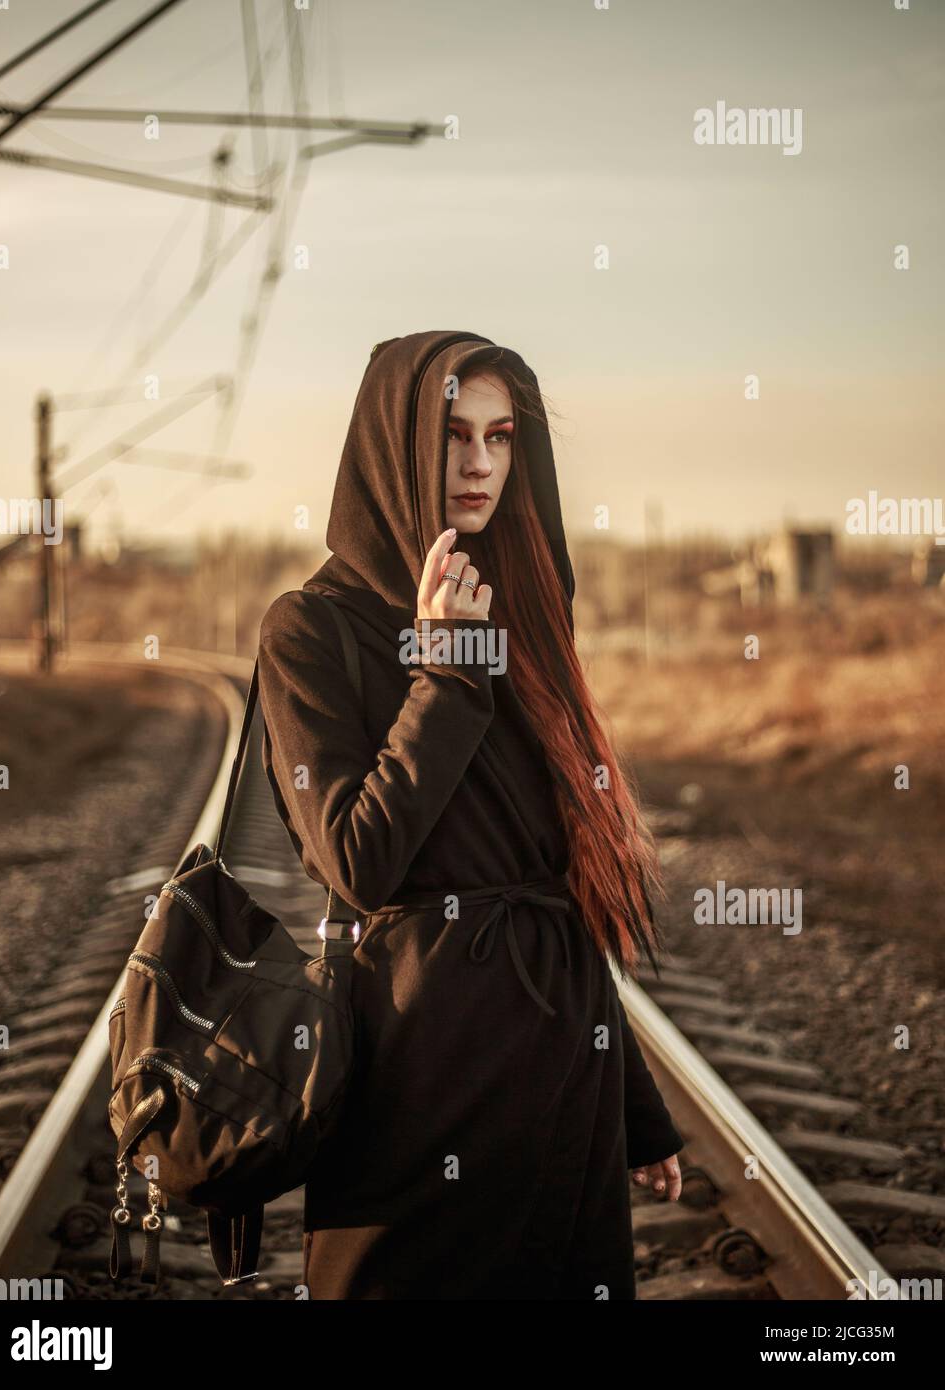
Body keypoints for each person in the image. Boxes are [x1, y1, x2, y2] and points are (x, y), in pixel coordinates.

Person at [256, 329, 684, 1300]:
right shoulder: (310, 630)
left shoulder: (523, 612)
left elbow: (553, 882)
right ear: (395, 444)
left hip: (563, 1071)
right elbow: (357, 857)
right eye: (455, 434)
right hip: (423, 1075)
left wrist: (635, 1102)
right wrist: (447, 663)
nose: (481, 463)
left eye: (500, 437)